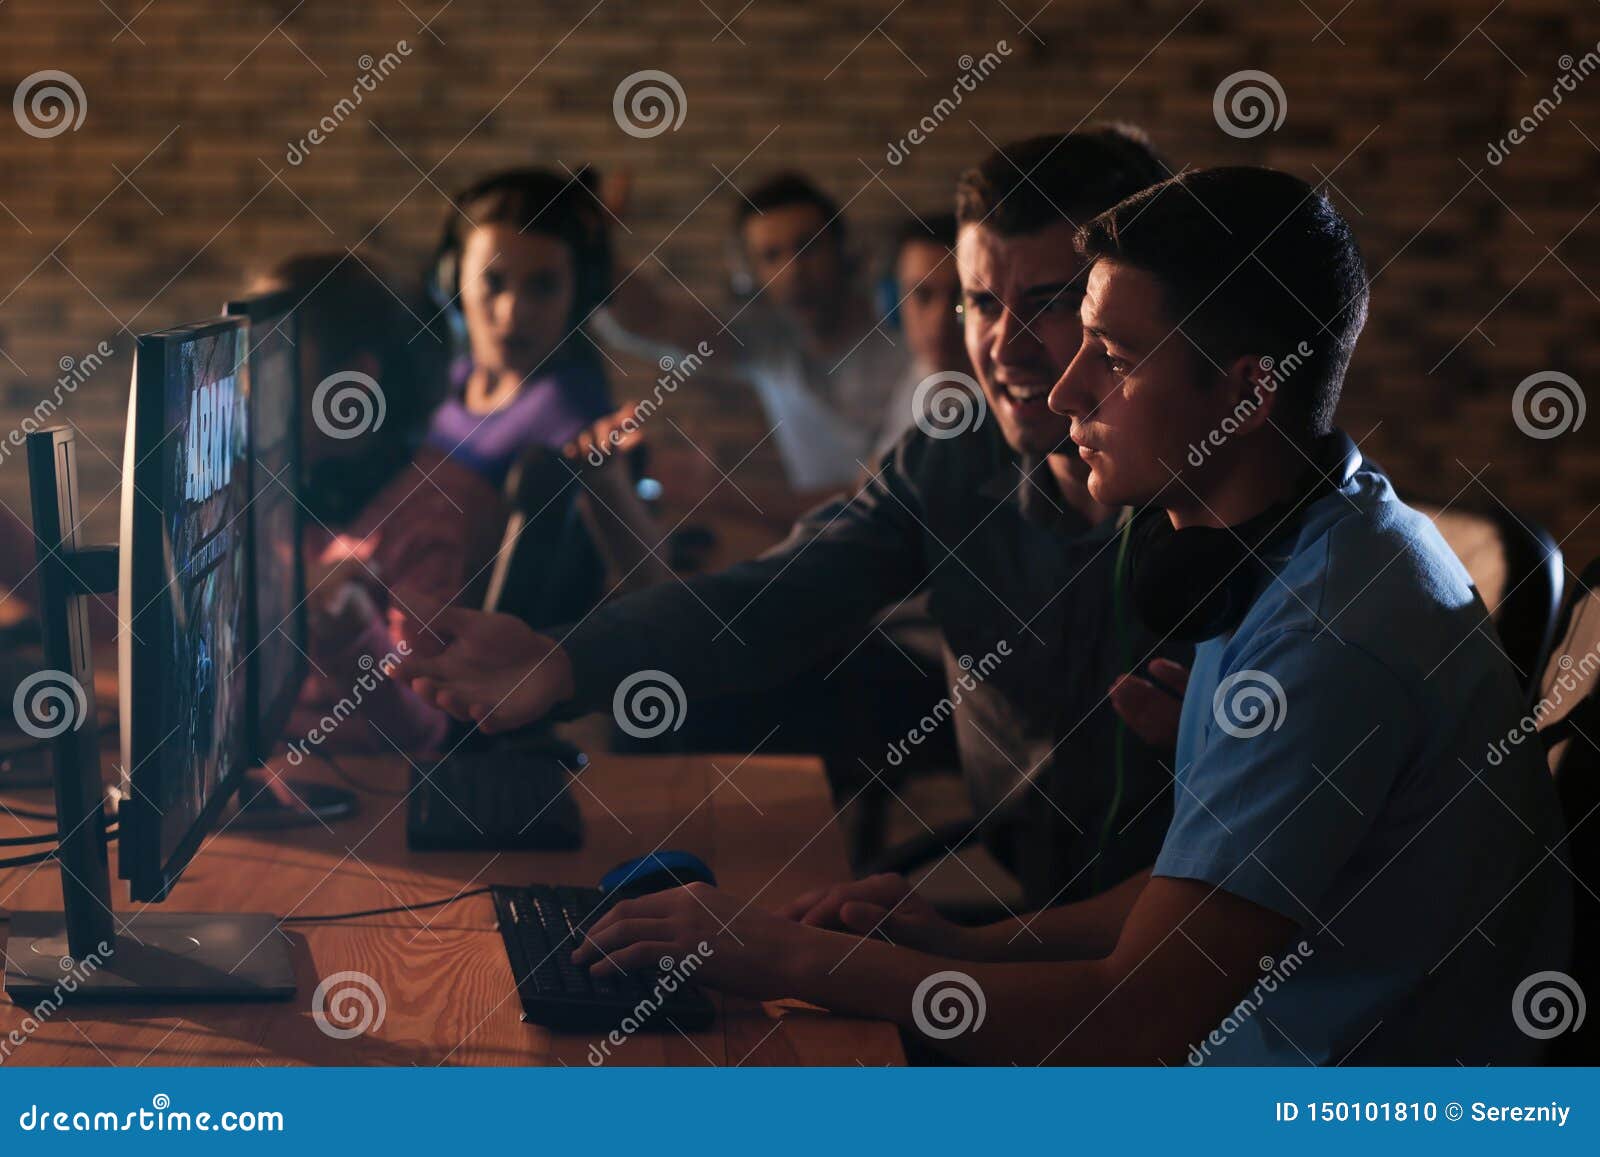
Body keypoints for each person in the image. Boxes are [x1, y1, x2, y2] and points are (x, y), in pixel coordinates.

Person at [560, 167, 1573, 1064]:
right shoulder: (1288, 540)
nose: (1069, 385)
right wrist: (964, 944)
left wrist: (785, 952)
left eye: (1116, 356)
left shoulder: (1322, 635)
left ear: (1246, 390)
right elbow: (1195, 903)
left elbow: (1134, 1025)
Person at [406, 127, 1189, 909]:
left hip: (1179, 945)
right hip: (1038, 914)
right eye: (980, 301)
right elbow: (779, 592)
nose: (1001, 345)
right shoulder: (950, 457)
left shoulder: (1225, 497)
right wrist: (564, 660)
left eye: (1050, 303)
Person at [259, 253, 505, 757]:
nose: (245, 390)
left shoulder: (435, 514)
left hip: (366, 801)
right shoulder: (275, 481)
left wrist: (349, 634)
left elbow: (424, 731)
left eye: (269, 365)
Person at [426, 168, 671, 600]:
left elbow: (653, 583)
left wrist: (607, 482)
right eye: (493, 282)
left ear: (577, 295)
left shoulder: (570, 412)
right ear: (453, 279)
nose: (512, 313)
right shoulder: (457, 377)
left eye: (543, 287)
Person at [603, 171, 911, 512]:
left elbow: (880, 500)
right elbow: (650, 321)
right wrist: (595, 243)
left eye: (808, 247)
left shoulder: (911, 339)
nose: (793, 270)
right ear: (750, 274)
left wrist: (720, 498)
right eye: (771, 256)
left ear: (842, 249)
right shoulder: (767, 344)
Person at [872, 212, 977, 459]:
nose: (940, 319)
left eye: (960, 297)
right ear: (893, 301)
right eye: (923, 295)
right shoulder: (919, 374)